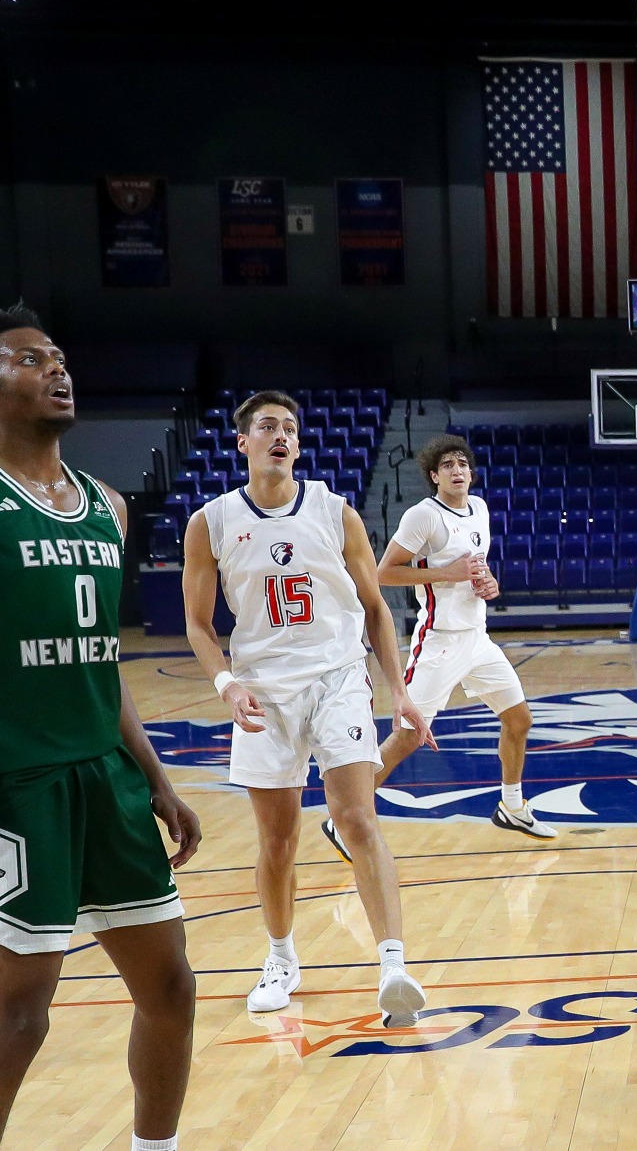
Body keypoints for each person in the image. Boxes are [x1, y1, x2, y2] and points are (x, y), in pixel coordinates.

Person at [0, 304, 202, 1151]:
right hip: (21, 784)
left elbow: (100, 663)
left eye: (58, 356)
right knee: (21, 1013)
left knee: (172, 987)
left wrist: (154, 776)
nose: (55, 368)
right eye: (27, 358)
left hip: (105, 779)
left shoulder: (107, 506)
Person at [182, 391, 431, 1027]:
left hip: (337, 678)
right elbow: (198, 624)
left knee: (356, 818)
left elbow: (375, 607)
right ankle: (281, 958)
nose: (280, 436)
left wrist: (398, 689)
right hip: (263, 690)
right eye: (267, 426)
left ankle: (394, 965)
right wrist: (226, 686)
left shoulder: (334, 511)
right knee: (279, 839)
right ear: (242, 443)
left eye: (289, 427)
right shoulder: (210, 522)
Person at [319, 435, 555, 857]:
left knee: (519, 720)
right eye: (447, 465)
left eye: (462, 463)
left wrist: (489, 583)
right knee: (408, 739)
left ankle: (512, 806)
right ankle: (344, 819)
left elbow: (475, 569)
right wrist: (446, 574)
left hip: (477, 640)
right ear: (434, 475)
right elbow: (383, 573)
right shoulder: (423, 516)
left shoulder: (479, 509)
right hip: (438, 643)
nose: (457, 470)